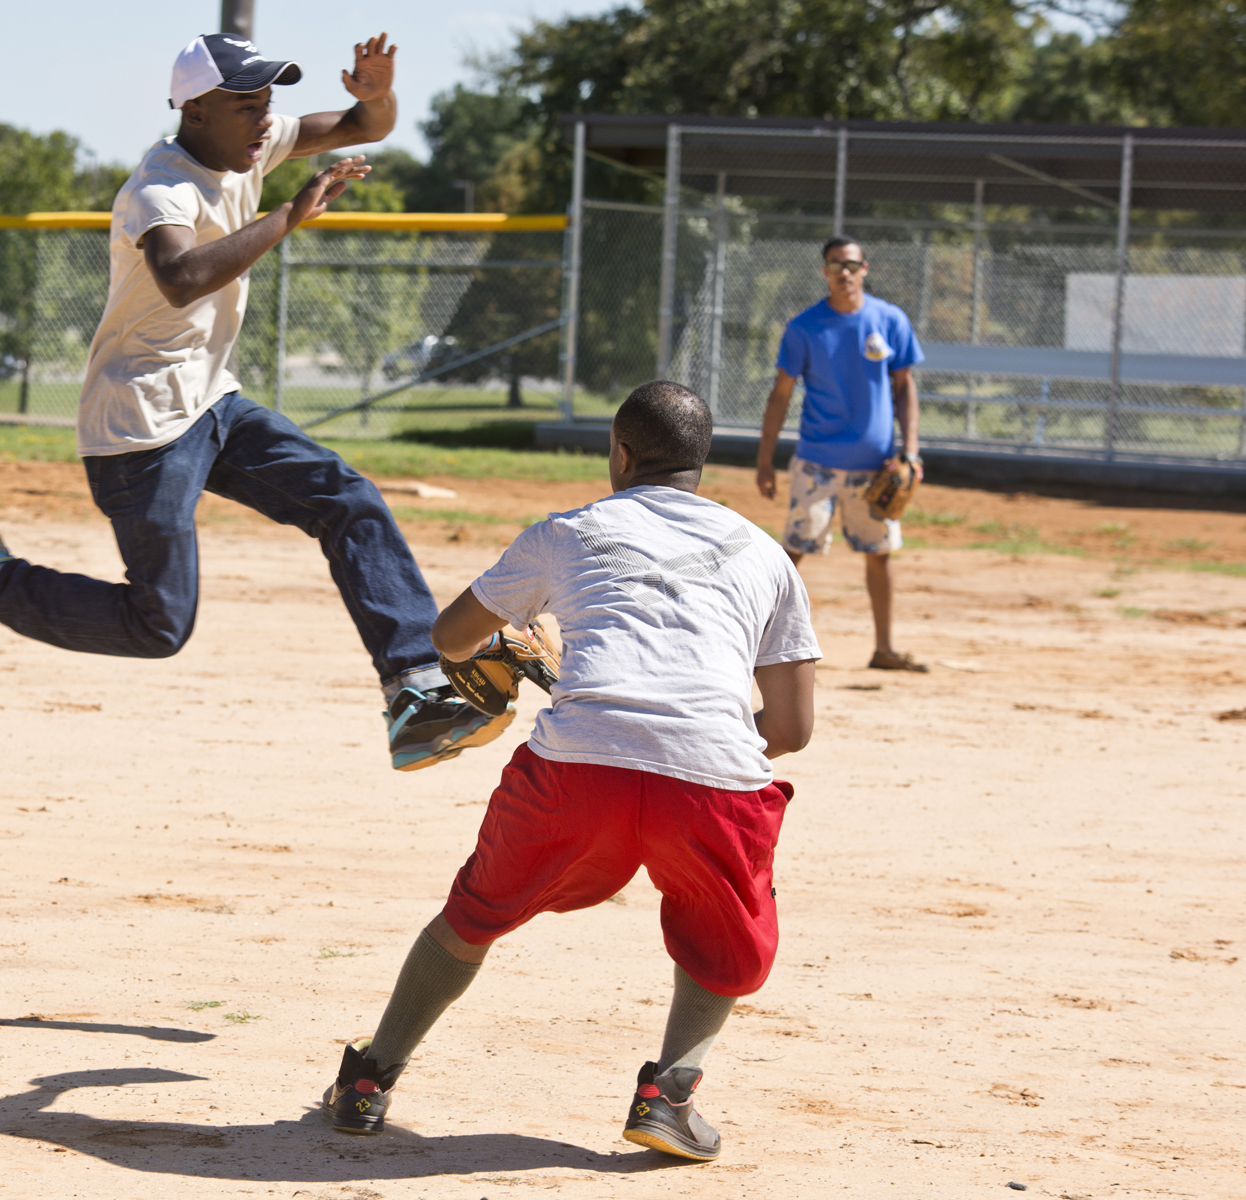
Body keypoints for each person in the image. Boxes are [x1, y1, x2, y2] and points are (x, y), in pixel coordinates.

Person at [0, 32, 507, 771]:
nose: (265, 120)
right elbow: (182, 276)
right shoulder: (159, 186)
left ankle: (413, 687)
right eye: (245, 105)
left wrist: (375, 93)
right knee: (159, 625)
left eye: (268, 103)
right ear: (195, 110)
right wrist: (288, 216)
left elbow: (363, 127)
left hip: (213, 405)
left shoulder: (252, 146)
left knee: (346, 498)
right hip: (140, 430)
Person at [318, 381, 819, 1161]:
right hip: (716, 777)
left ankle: (368, 1082)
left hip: (577, 768)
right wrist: (695, 735)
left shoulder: (568, 531)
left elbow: (448, 638)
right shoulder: (765, 555)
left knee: (475, 912)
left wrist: (521, 646)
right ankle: (668, 1098)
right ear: (702, 462)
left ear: (620, 454)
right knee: (727, 923)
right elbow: (790, 729)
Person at [756, 234, 928, 672]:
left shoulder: (889, 319)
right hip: (816, 463)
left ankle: (884, 649)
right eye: (835, 265)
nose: (844, 273)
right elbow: (780, 395)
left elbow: (905, 387)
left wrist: (910, 451)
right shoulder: (805, 327)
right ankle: (753, 641)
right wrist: (765, 459)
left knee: (879, 553)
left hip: (875, 466)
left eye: (851, 265)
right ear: (824, 272)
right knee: (793, 552)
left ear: (865, 269)